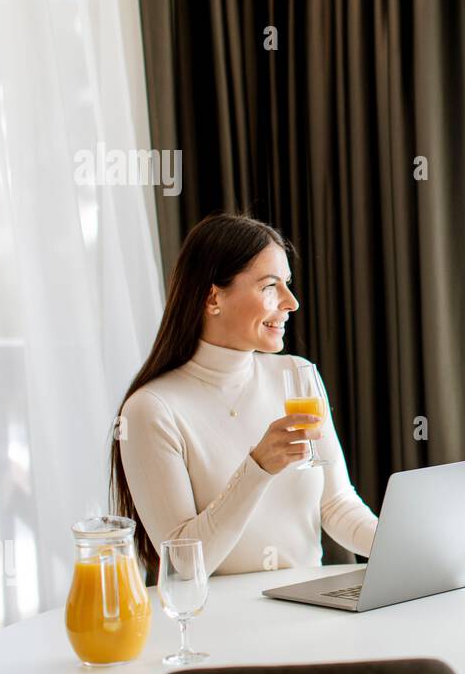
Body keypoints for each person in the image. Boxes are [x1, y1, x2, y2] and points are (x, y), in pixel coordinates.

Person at [110, 213, 377, 576]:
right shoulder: (150, 410)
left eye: (287, 284)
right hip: (222, 624)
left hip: (309, 609)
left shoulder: (296, 375)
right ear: (212, 298)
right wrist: (258, 468)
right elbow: (185, 563)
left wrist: (407, 550)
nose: (291, 302)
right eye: (270, 286)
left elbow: (336, 505)